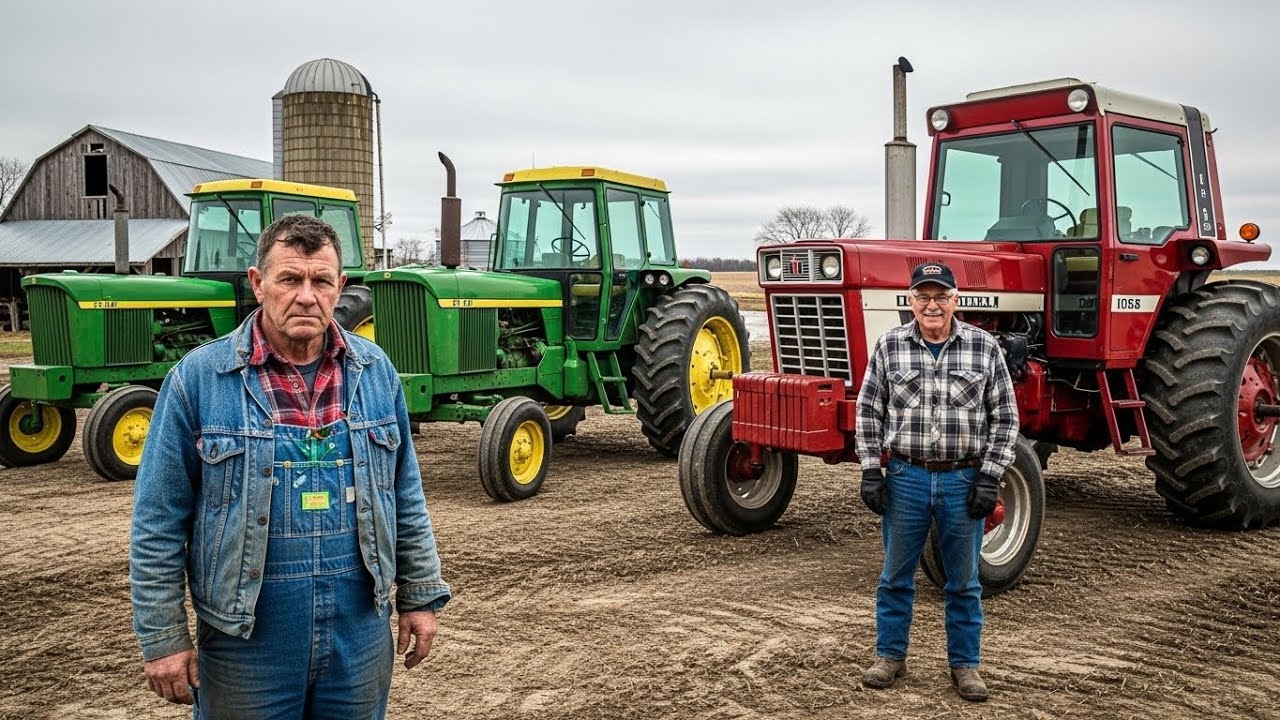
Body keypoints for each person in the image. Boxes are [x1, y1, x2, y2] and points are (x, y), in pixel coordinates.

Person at [130, 214, 451, 717]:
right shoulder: (200, 378)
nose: (307, 296)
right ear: (258, 284)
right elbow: (157, 521)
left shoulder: (375, 372)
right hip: (246, 639)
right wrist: (163, 635)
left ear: (340, 287)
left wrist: (420, 593)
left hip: (359, 631)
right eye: (290, 279)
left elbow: (405, 492)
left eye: (321, 281)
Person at [854, 261, 1018, 702]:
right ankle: (890, 656)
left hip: (962, 480)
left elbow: (1005, 417)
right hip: (905, 476)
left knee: (963, 582)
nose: (932, 305)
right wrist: (872, 468)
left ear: (955, 299)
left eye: (940, 296)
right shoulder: (889, 347)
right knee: (895, 576)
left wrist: (990, 475)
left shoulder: (984, 348)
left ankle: (965, 666)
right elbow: (869, 410)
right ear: (911, 301)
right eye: (923, 297)